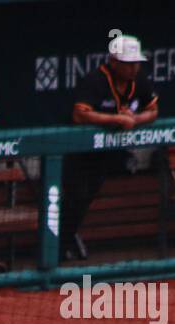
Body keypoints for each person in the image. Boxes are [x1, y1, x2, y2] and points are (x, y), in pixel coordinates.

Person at [60, 34, 159, 259]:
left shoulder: (140, 80)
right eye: (128, 63)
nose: (134, 68)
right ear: (113, 62)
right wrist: (115, 119)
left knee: (84, 199)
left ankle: (60, 248)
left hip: (104, 154)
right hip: (78, 152)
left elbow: (154, 111)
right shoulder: (95, 80)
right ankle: (52, 252)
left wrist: (134, 119)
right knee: (75, 197)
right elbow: (79, 114)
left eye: (136, 63)